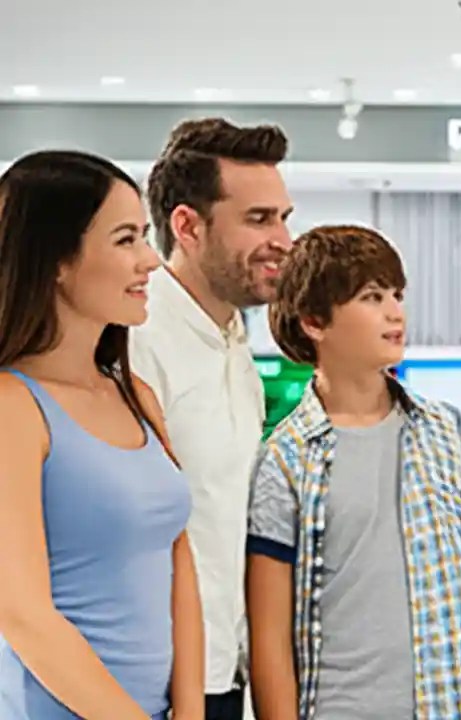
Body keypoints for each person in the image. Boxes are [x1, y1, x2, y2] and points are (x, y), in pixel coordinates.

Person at [244, 225, 461, 720]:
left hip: (449, 707)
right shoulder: (286, 459)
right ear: (315, 322)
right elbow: (269, 634)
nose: (395, 311)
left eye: (397, 294)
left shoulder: (446, 431)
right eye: (371, 296)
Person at [0, 150, 203, 719]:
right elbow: (22, 613)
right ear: (57, 260)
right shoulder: (12, 408)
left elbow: (177, 566)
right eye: (125, 239)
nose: (151, 261)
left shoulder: (136, 395)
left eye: (144, 235)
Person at [128, 117, 294, 720]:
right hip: (156, 685)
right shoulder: (136, 343)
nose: (283, 239)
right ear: (187, 226)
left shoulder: (235, 345)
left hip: (223, 674)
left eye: (283, 217)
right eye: (259, 220)